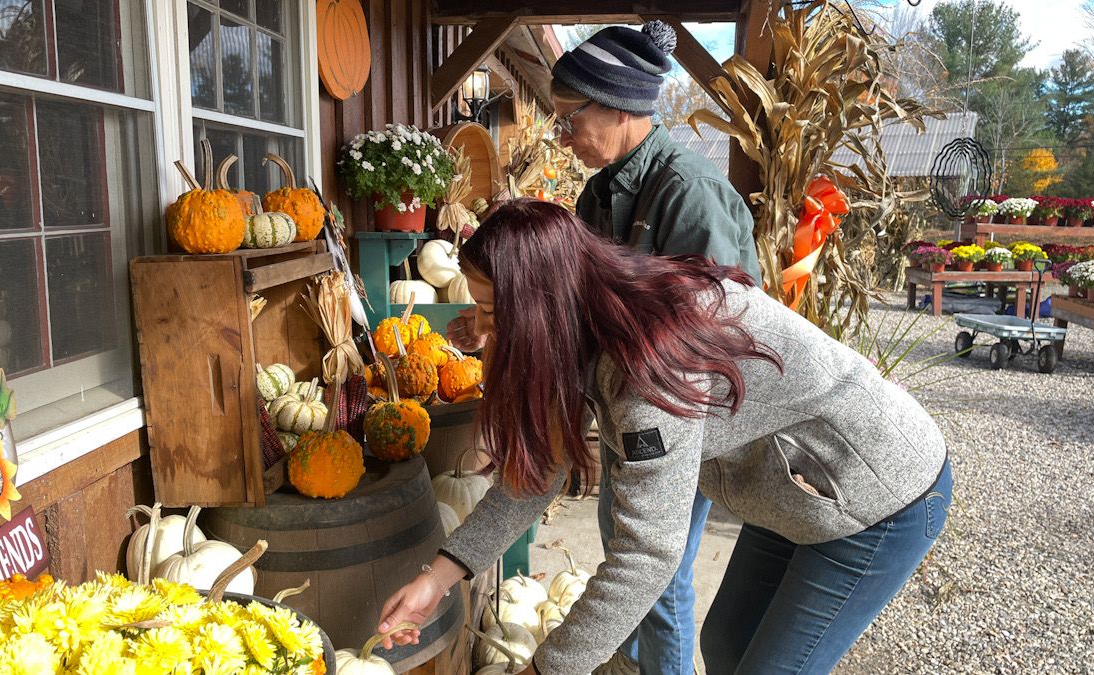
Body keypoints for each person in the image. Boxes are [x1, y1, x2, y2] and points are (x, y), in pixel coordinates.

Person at [378, 200, 952, 675]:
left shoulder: (648, 367)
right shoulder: (586, 319)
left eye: (490, 311)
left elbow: (647, 555)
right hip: (796, 491)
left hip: (876, 497)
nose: (479, 330)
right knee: (727, 645)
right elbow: (542, 469)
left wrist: (544, 670)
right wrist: (440, 577)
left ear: (539, 308)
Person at [447, 21, 759, 673]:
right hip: (629, 408)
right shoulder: (598, 193)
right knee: (633, 557)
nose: (562, 136)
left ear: (617, 107)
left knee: (656, 573)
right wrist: (501, 322)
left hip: (682, 416)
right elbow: (571, 309)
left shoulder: (688, 193)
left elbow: (718, 335)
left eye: (568, 120)